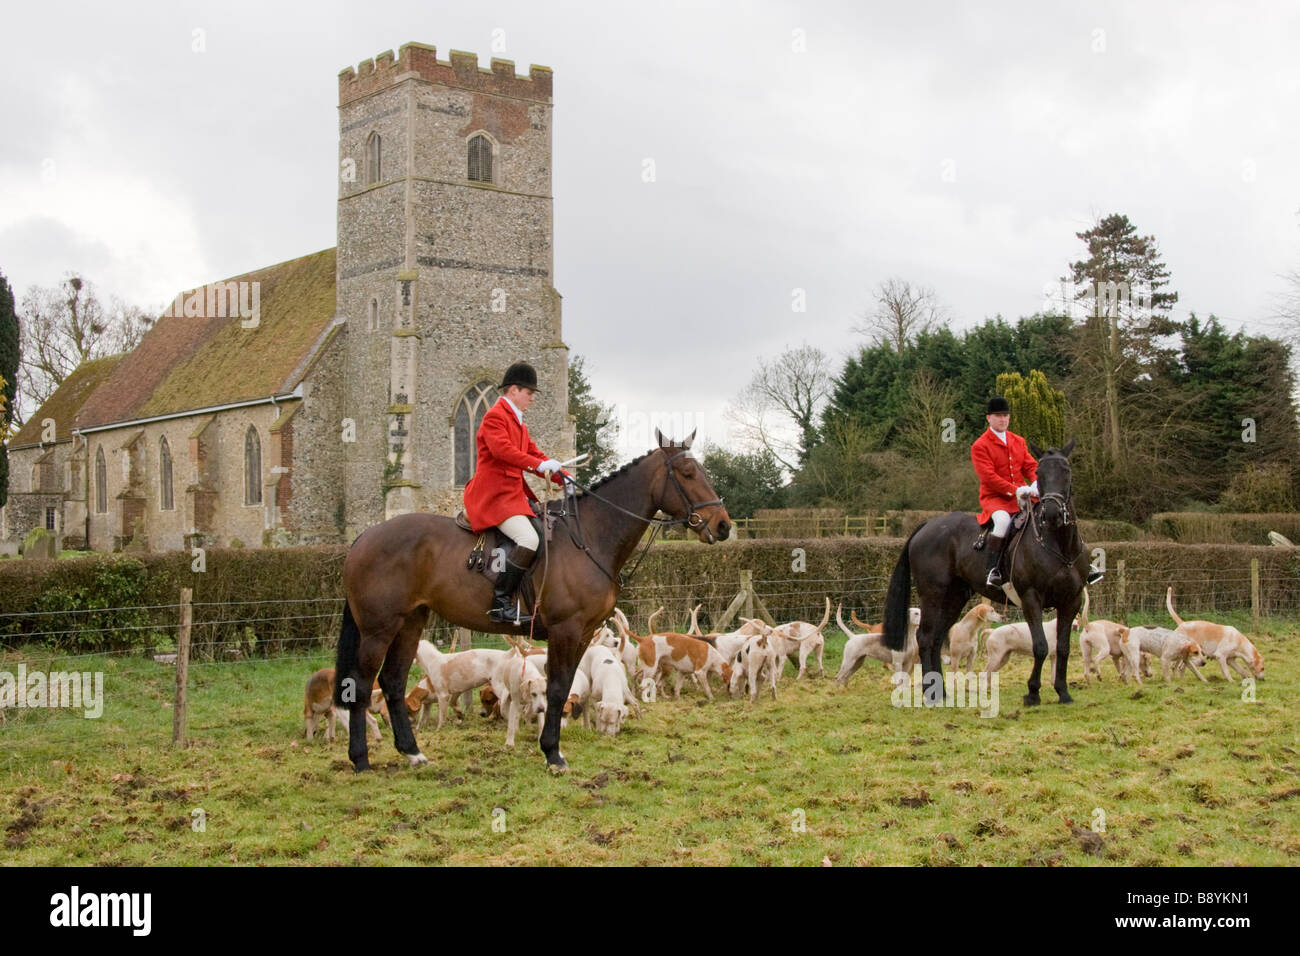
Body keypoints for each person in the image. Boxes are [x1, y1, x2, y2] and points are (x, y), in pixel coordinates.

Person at [462, 362, 569, 625]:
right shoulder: (495, 417)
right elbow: (503, 451)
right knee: (528, 539)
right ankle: (500, 604)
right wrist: (538, 465)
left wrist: (564, 478)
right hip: (494, 497)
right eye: (529, 392)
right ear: (513, 390)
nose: (532, 398)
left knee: (542, 532)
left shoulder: (518, 423)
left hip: (512, 496)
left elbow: (534, 453)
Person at [971, 396, 1038, 587]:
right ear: (989, 418)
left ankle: (1080, 564)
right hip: (995, 498)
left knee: (1052, 513)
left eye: (1005, 415)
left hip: (1024, 495)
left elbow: (1030, 466)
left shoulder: (1018, 440)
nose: (1003, 419)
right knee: (1002, 522)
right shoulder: (980, 446)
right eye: (998, 416)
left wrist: (1037, 482)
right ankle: (994, 569)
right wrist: (1016, 490)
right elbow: (989, 478)